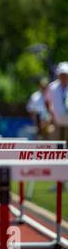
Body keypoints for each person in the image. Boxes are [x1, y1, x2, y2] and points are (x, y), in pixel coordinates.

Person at [45, 61, 68, 191]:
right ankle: (60, 181)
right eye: (62, 74)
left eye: (66, 74)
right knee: (59, 153)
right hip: (58, 124)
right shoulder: (52, 87)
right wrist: (51, 115)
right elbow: (48, 101)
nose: (64, 77)